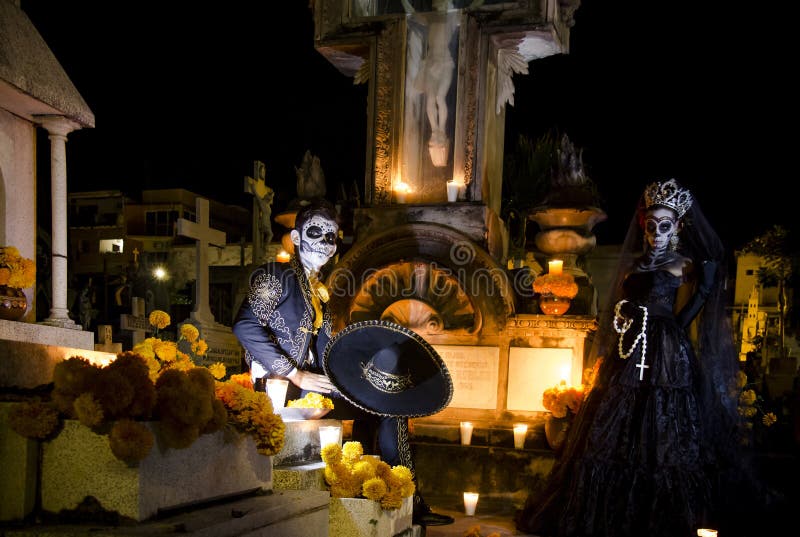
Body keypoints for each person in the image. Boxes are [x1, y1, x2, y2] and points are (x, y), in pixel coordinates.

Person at [515, 179, 770, 537]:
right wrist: (625, 319)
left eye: (665, 225)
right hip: (630, 347)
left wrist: (705, 289)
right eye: (651, 226)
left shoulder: (683, 265)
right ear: (643, 226)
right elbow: (622, 308)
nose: (656, 233)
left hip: (666, 350)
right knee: (618, 418)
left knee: (661, 423)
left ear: (678, 226)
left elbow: (682, 319)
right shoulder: (635, 264)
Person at [232, 198, 454, 526]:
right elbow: (244, 326)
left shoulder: (322, 292)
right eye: (316, 232)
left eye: (331, 236)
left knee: (384, 404)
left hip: (316, 384)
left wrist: (359, 379)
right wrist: (296, 375)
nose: (324, 242)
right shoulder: (275, 275)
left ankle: (394, 493)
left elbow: (328, 350)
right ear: (295, 239)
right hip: (279, 387)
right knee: (379, 404)